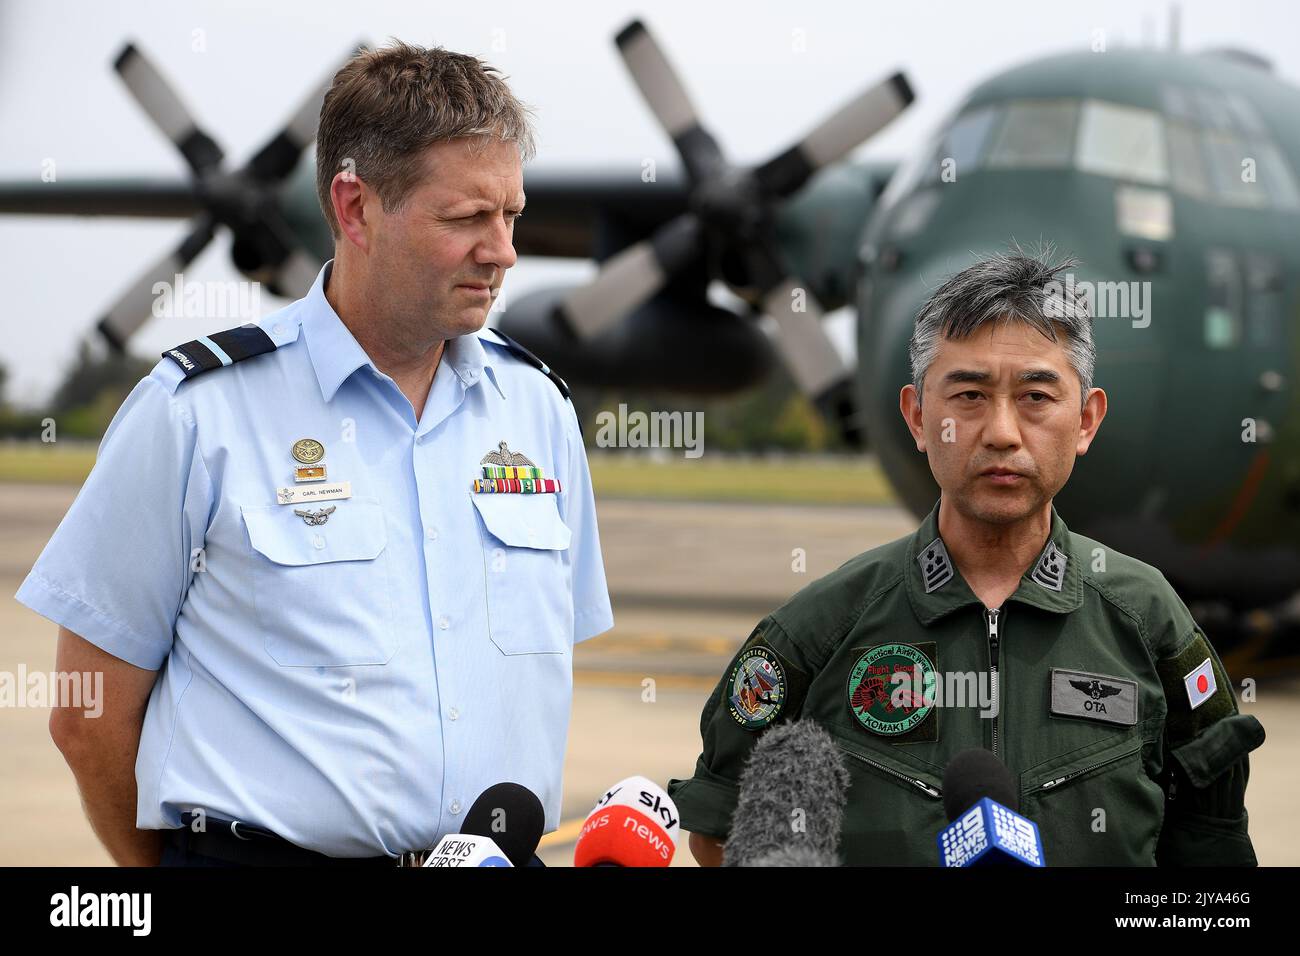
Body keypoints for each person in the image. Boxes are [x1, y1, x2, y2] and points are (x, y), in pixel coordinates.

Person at [18, 41, 613, 866]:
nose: (504, 251)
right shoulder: (198, 413)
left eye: (510, 215)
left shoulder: (538, 413)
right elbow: (85, 715)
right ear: (356, 207)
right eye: (466, 218)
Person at [669, 249, 1264, 866]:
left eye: (1036, 396)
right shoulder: (823, 627)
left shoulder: (1149, 620)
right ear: (918, 417)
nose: (1002, 432)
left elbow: (1212, 849)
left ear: (1086, 421)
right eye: (970, 396)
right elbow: (719, 830)